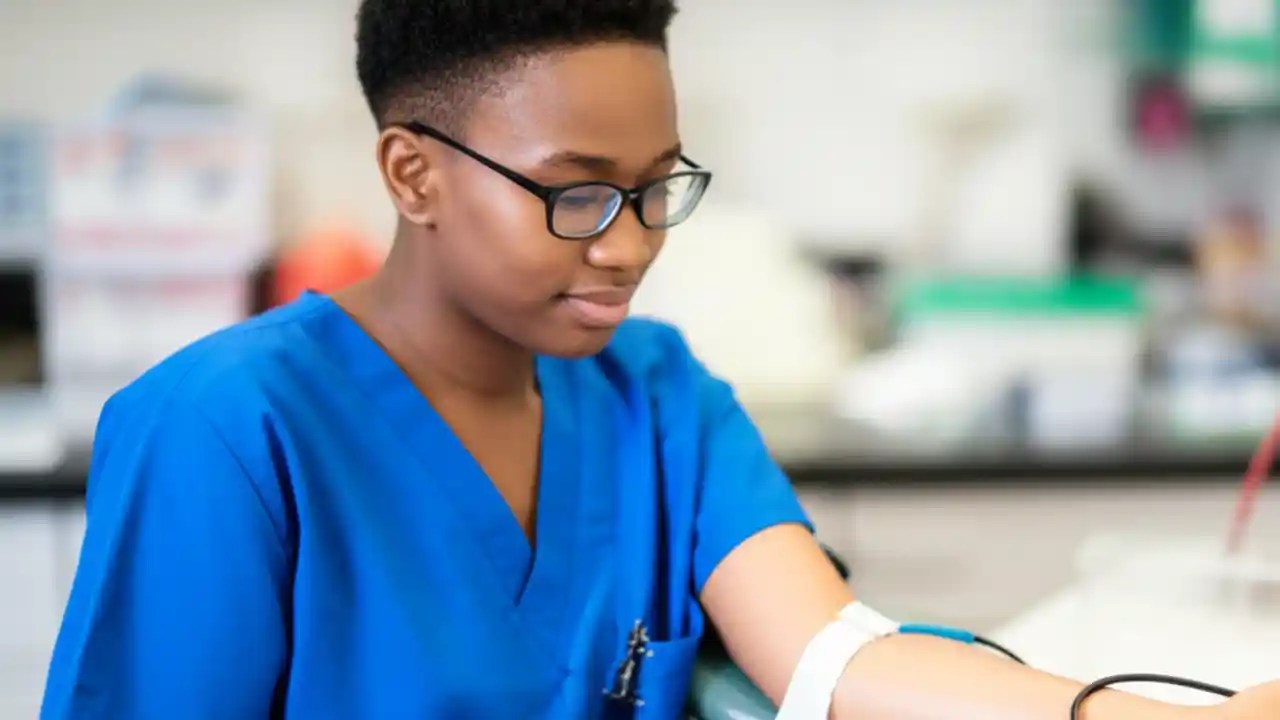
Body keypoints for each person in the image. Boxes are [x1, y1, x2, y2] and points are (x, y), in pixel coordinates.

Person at [40, 1, 1280, 718]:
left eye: (655, 188)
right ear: (411, 174)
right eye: (578, 197)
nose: (631, 245)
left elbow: (836, 656)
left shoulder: (656, 395)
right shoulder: (226, 431)